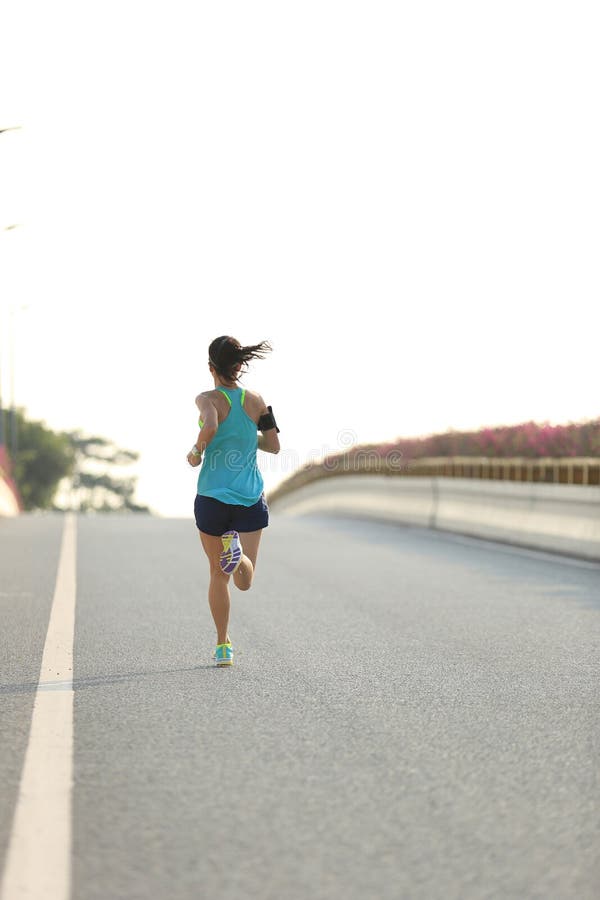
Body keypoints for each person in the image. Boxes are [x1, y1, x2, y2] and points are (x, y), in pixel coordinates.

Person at [187, 335, 280, 667]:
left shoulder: (206, 398)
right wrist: (244, 434)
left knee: (216, 574)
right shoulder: (257, 401)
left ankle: (223, 645)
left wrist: (197, 451)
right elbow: (274, 446)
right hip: (249, 498)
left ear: (211, 367)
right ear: (240, 365)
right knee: (244, 581)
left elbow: (210, 425)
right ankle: (238, 557)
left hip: (212, 496)